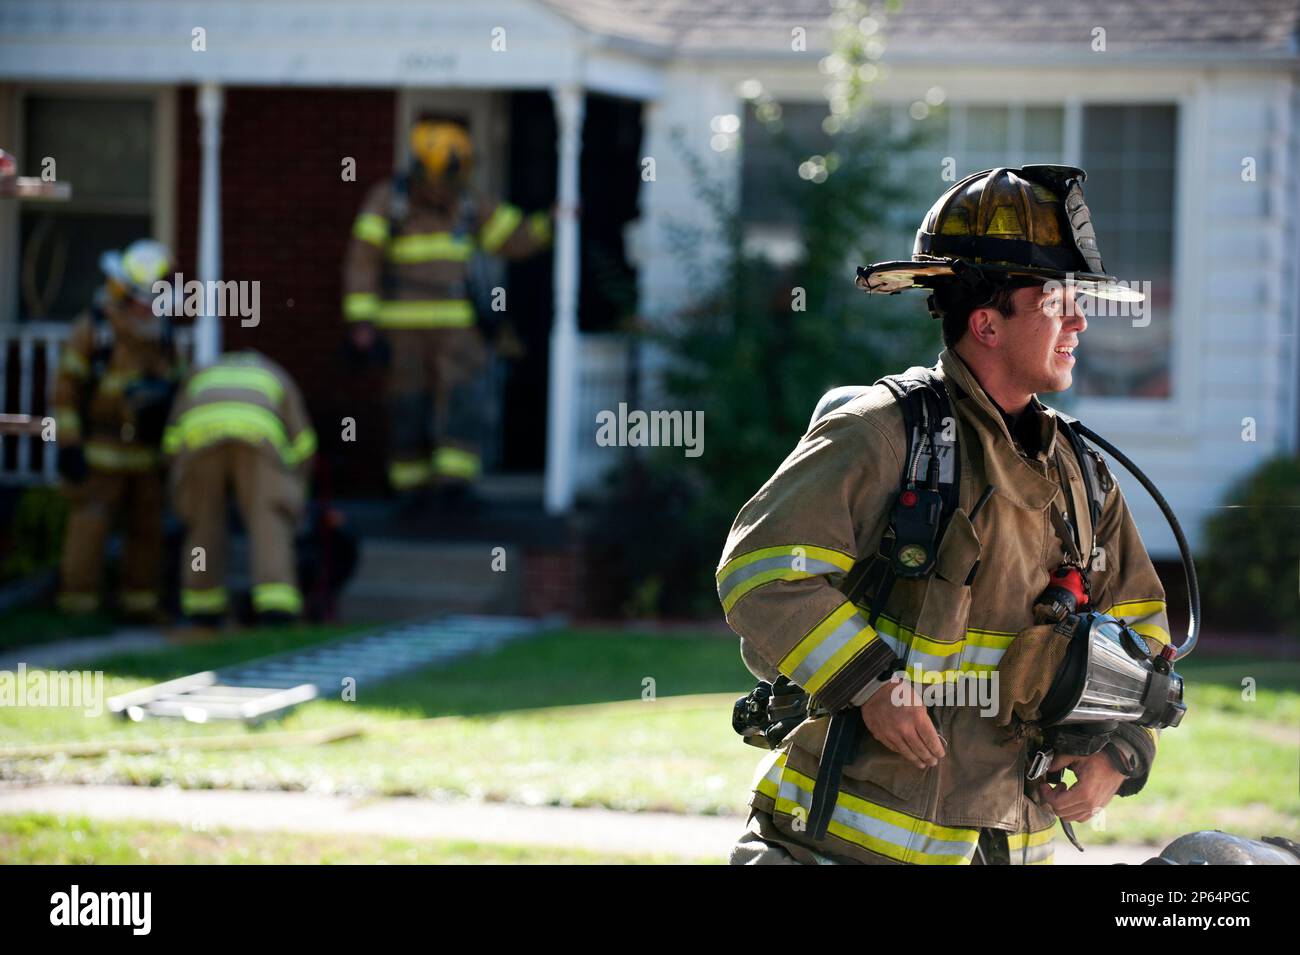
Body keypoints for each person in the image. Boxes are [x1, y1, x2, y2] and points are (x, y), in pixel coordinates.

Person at [719, 165, 1172, 865]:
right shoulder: (883, 434)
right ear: (987, 322)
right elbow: (761, 568)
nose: (1081, 321)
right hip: (841, 846)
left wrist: (1121, 749)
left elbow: (1144, 631)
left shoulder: (1082, 476)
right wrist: (872, 683)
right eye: (1058, 301)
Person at [342, 113, 551, 502]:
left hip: (459, 329)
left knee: (463, 401)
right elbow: (363, 261)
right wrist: (361, 321)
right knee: (408, 403)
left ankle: (455, 487)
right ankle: (411, 488)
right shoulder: (388, 202)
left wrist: (551, 224)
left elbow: (514, 238)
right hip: (402, 328)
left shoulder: (470, 204)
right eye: (443, 177)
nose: (445, 188)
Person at [53, 239, 182, 620]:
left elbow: (178, 388)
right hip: (99, 451)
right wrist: (69, 446)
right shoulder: (93, 330)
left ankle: (138, 605)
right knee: (89, 528)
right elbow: (64, 393)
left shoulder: (163, 336)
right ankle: (78, 606)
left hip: (146, 455)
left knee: (147, 531)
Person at [163, 351, 316, 625]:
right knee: (268, 520)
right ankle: (275, 606)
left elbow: (172, 439)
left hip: (198, 441)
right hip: (259, 441)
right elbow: (303, 441)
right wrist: (294, 484)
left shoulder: (201, 374)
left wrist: (182, 479)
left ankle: (202, 605)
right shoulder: (275, 374)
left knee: (203, 524)